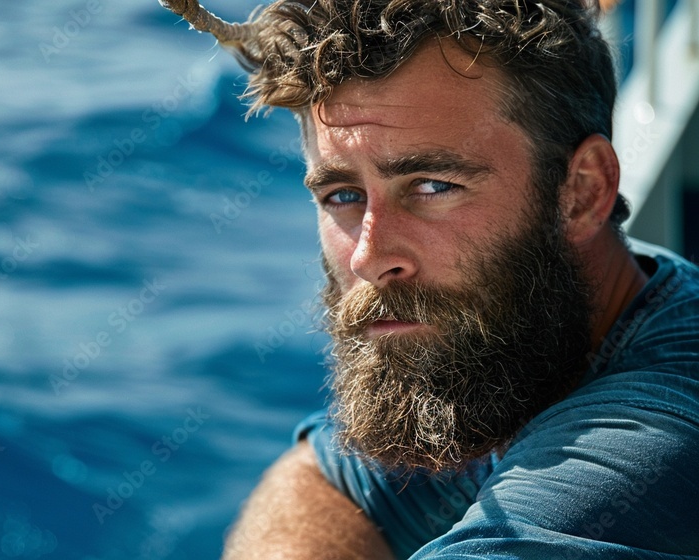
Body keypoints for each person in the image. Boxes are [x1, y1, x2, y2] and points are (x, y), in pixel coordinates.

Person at [160, 0, 699, 557]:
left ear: (582, 191)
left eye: (432, 186)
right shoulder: (499, 357)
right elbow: (317, 479)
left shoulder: (657, 430)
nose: (370, 257)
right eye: (342, 195)